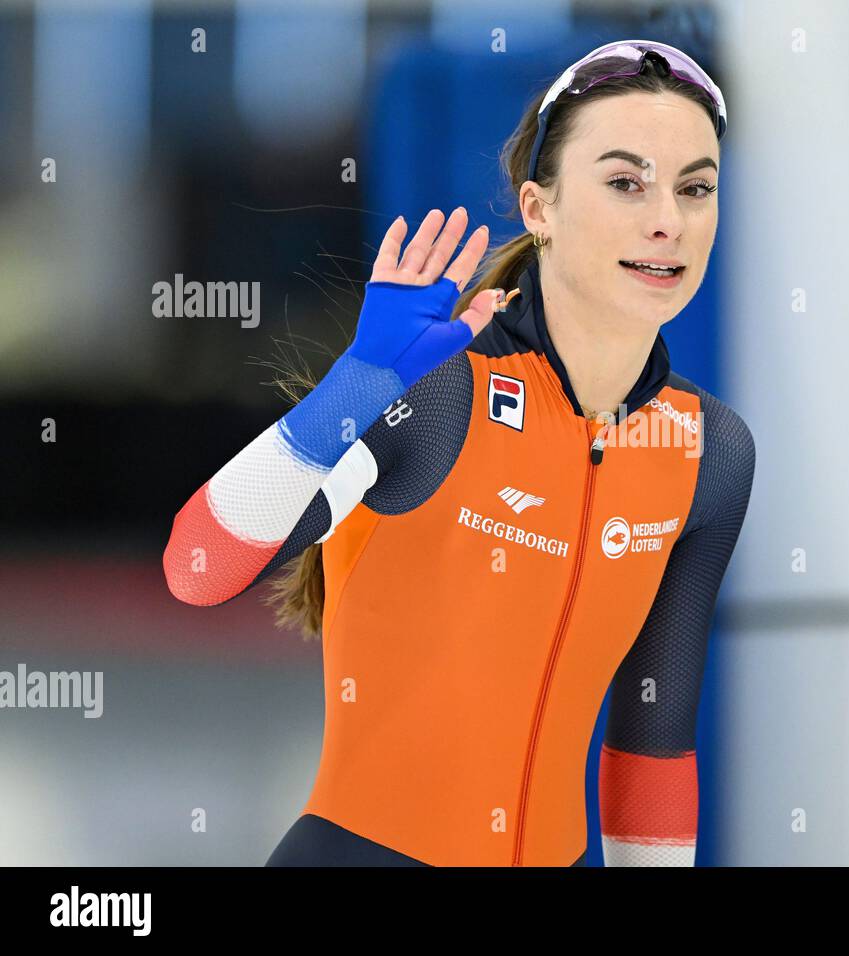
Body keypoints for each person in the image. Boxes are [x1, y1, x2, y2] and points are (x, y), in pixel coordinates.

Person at [163, 39, 754, 867]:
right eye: (625, 182)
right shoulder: (444, 397)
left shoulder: (708, 449)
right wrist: (357, 384)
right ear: (538, 209)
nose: (669, 219)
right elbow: (198, 567)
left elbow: (652, 743)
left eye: (696, 187)